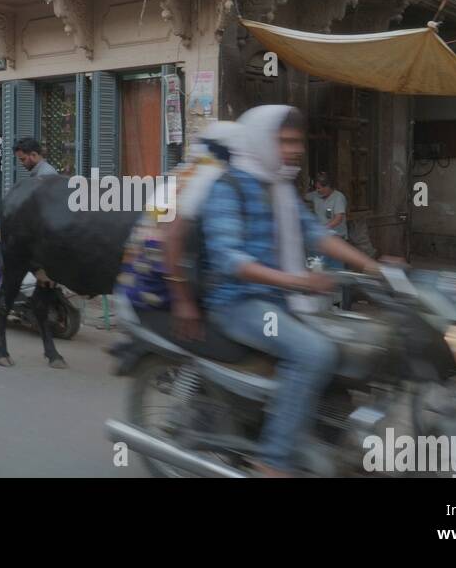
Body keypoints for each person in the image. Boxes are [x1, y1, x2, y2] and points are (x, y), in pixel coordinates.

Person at [200, 105, 381, 477]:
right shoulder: (229, 187)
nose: (295, 149)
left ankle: (317, 431)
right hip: (238, 302)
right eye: (285, 141)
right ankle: (273, 459)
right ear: (260, 140)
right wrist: (300, 282)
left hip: (277, 300)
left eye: (297, 141)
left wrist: (370, 266)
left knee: (357, 343)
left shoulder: (280, 187)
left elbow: (315, 234)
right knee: (313, 352)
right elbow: (230, 260)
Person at [116, 122, 243, 339]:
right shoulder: (210, 178)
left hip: (139, 280)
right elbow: (171, 237)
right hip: (162, 283)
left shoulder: (185, 173)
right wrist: (183, 299)